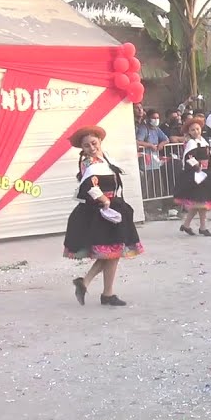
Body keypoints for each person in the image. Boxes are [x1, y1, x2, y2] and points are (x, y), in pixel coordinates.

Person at [64, 126, 144, 307]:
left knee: (113, 253)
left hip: (113, 208)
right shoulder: (88, 163)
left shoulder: (106, 158)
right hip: (100, 211)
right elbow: (89, 186)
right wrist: (103, 200)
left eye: (94, 143)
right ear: (82, 148)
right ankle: (101, 291)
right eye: (86, 145)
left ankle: (97, 288)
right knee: (111, 252)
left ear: (100, 141)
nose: (92, 148)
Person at [173, 117, 211, 236]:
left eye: (197, 129)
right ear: (189, 132)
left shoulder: (204, 141)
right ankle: (202, 227)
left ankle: (186, 225)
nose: (196, 131)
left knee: (198, 204)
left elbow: (210, 156)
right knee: (202, 204)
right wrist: (197, 166)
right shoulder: (191, 143)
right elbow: (189, 158)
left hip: (206, 174)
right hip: (196, 175)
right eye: (192, 130)